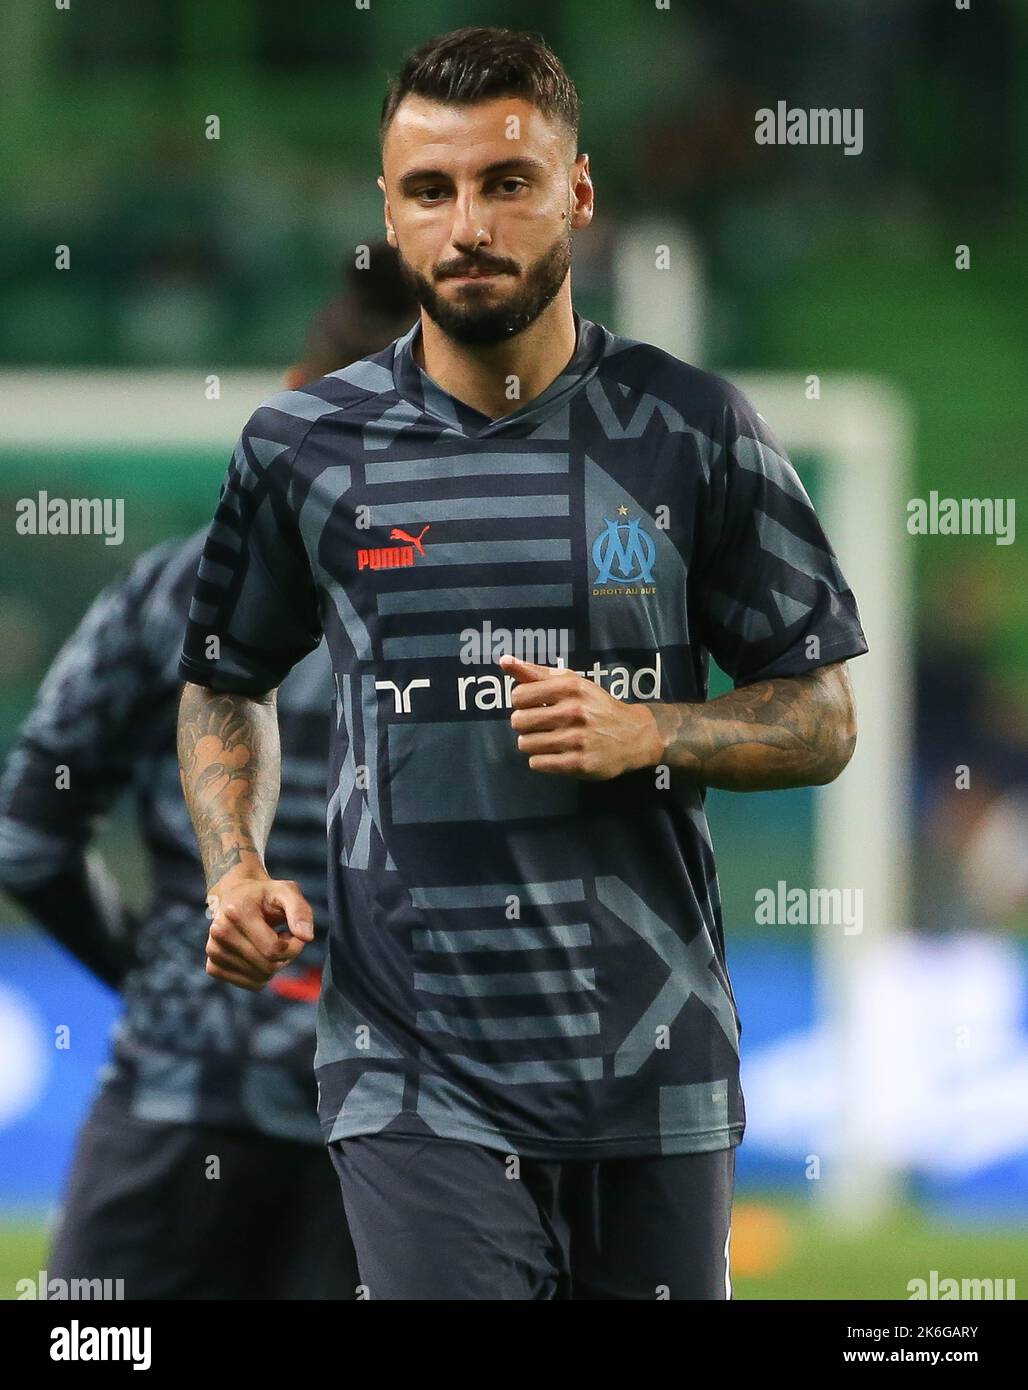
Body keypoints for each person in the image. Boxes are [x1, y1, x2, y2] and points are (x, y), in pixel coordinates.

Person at [177, 27, 867, 1301]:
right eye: (428, 192)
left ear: (578, 193)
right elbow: (227, 674)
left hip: (651, 1067)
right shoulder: (301, 447)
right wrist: (235, 867)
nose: (467, 226)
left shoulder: (690, 429)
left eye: (506, 182)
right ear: (387, 209)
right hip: (409, 1069)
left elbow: (821, 716)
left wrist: (654, 732)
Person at [0, 243, 416, 1299]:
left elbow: (28, 832)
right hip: (395, 1123)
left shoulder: (171, 590)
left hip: (178, 1104)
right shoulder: (486, 611)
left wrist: (155, 962)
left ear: (285, 405)